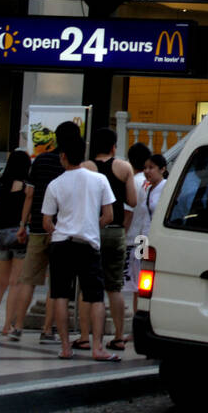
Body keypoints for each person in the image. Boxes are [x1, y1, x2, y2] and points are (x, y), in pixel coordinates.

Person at [41, 130, 120, 362]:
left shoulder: (55, 184)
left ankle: (66, 347)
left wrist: (59, 230)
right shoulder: (99, 180)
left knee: (61, 296)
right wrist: (90, 226)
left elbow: (47, 221)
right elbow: (109, 215)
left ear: (63, 156)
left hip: (61, 245)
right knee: (95, 297)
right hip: (88, 243)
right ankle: (98, 347)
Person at [8, 121, 79, 345]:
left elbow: (29, 194)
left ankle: (17, 327)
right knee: (56, 283)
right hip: (62, 230)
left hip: (38, 226)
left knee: (27, 280)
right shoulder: (74, 167)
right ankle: (48, 331)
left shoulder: (41, 159)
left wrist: (23, 224)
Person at [76, 127, 137, 353]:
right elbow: (132, 199)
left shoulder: (85, 168)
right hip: (115, 232)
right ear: (114, 146)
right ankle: (119, 337)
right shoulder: (124, 167)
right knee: (114, 286)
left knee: (87, 287)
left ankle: (84, 336)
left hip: (91, 230)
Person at [0, 149, 30, 336]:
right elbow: (27, 215)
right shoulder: (27, 188)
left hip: (2, 235)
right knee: (15, 283)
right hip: (19, 236)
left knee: (0, 282)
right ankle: (7, 326)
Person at [124, 153, 168, 339]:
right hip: (143, 239)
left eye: (152, 168)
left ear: (162, 169)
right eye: (146, 168)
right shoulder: (147, 187)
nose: (148, 171)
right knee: (139, 283)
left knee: (155, 283)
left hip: (157, 240)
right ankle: (138, 325)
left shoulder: (167, 187)